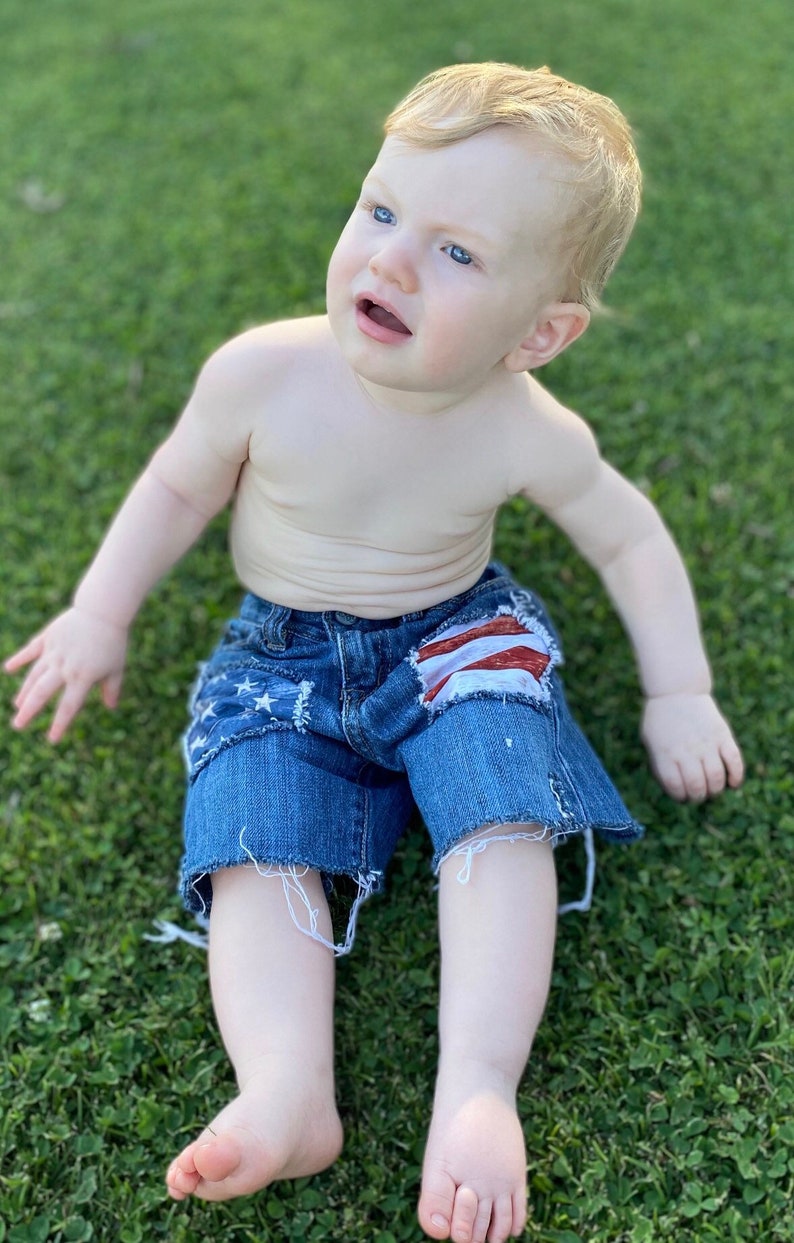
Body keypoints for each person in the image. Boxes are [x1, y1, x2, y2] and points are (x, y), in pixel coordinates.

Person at [5, 62, 743, 1243]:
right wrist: (101, 611)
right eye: (381, 210)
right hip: (280, 656)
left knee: (503, 814)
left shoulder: (519, 425)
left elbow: (629, 535)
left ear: (539, 334)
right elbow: (177, 486)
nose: (390, 262)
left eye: (456, 253)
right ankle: (286, 1086)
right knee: (253, 841)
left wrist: (680, 689)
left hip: (454, 637)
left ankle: (478, 1085)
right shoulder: (262, 373)